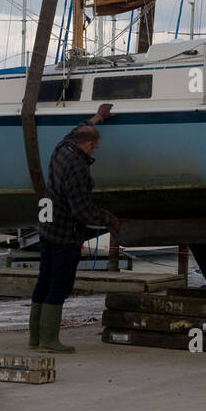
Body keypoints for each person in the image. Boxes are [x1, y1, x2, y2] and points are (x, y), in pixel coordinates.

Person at [31, 105, 120, 353]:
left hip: (47, 225)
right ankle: (49, 340)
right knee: (59, 284)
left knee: (44, 279)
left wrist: (98, 117)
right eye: (94, 147)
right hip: (64, 233)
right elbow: (82, 210)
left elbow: (77, 129)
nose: (95, 150)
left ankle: (35, 337)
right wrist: (109, 219)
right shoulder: (78, 169)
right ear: (88, 145)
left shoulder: (63, 146)